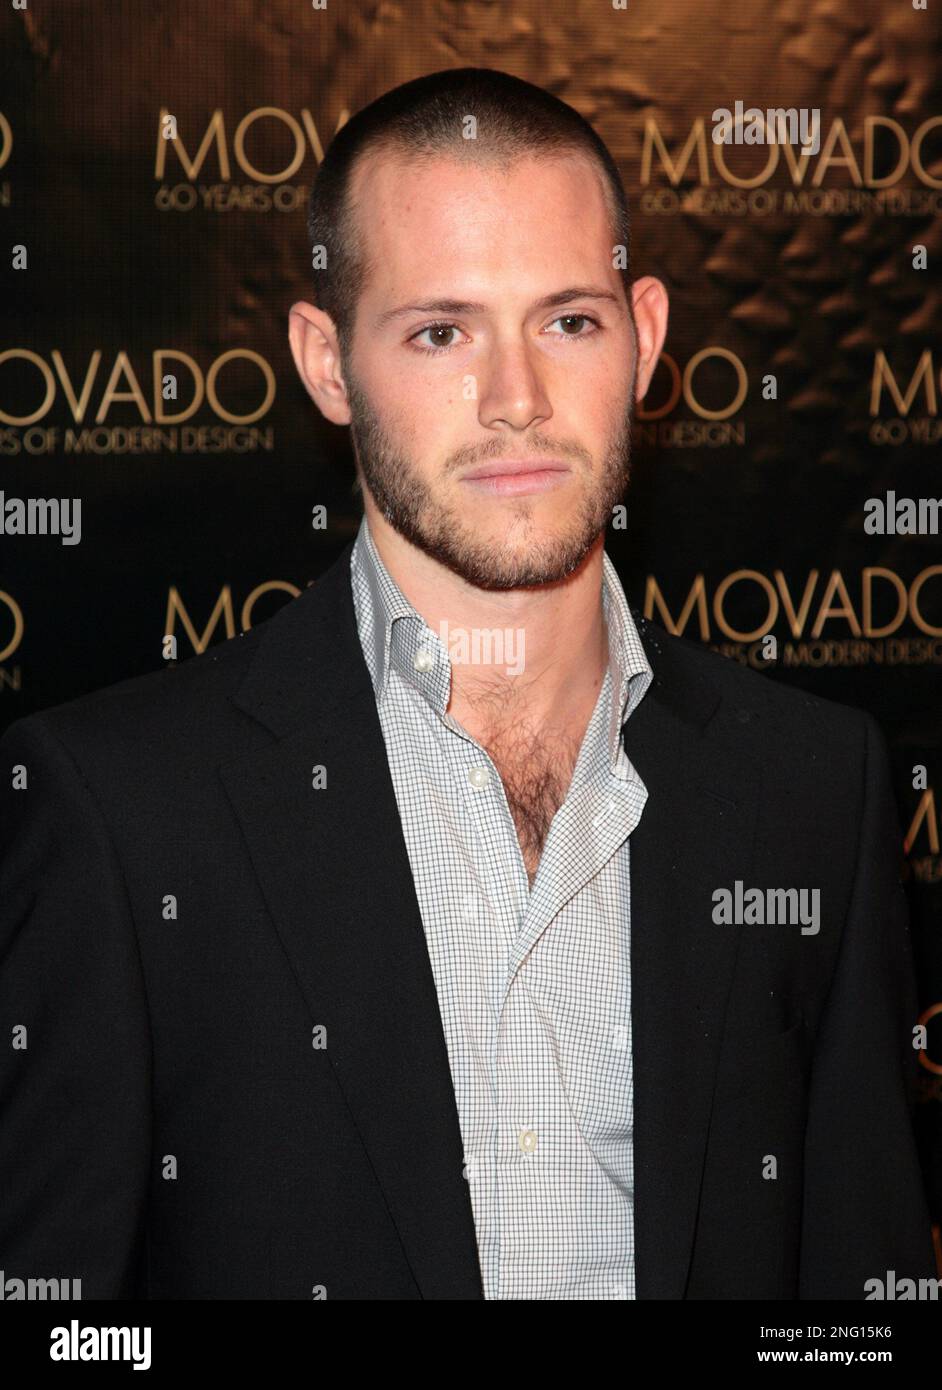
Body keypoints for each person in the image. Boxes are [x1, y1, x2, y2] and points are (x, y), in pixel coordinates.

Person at [0, 67, 935, 1300]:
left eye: (568, 321)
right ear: (328, 365)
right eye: (440, 331)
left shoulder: (814, 784)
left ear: (646, 337)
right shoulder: (125, 808)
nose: (517, 401)